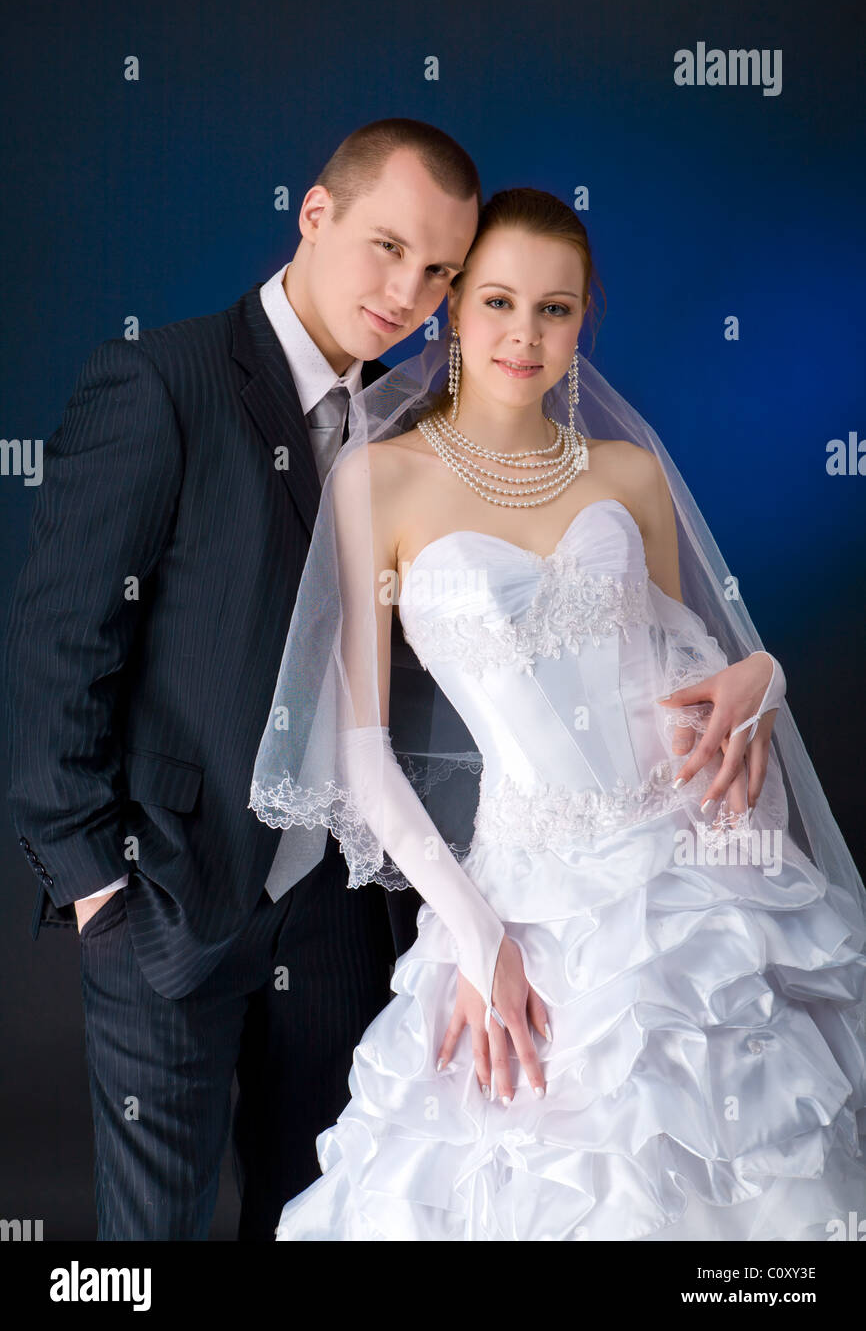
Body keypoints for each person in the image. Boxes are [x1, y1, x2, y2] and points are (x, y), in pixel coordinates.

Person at [251, 187, 866, 1241]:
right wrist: (479, 936)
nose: (522, 335)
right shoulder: (377, 480)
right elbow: (360, 756)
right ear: (449, 310)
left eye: (554, 308)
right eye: (495, 301)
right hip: (518, 893)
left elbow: (691, 668)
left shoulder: (624, 473)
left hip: (685, 881)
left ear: (587, 317)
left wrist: (762, 672)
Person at [4, 117, 481, 1239]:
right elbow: (56, 650)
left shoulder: (409, 427)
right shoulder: (160, 383)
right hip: (169, 892)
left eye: (440, 273)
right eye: (385, 246)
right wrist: (97, 889)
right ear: (313, 216)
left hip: (337, 918)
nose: (407, 291)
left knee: (316, 1217)